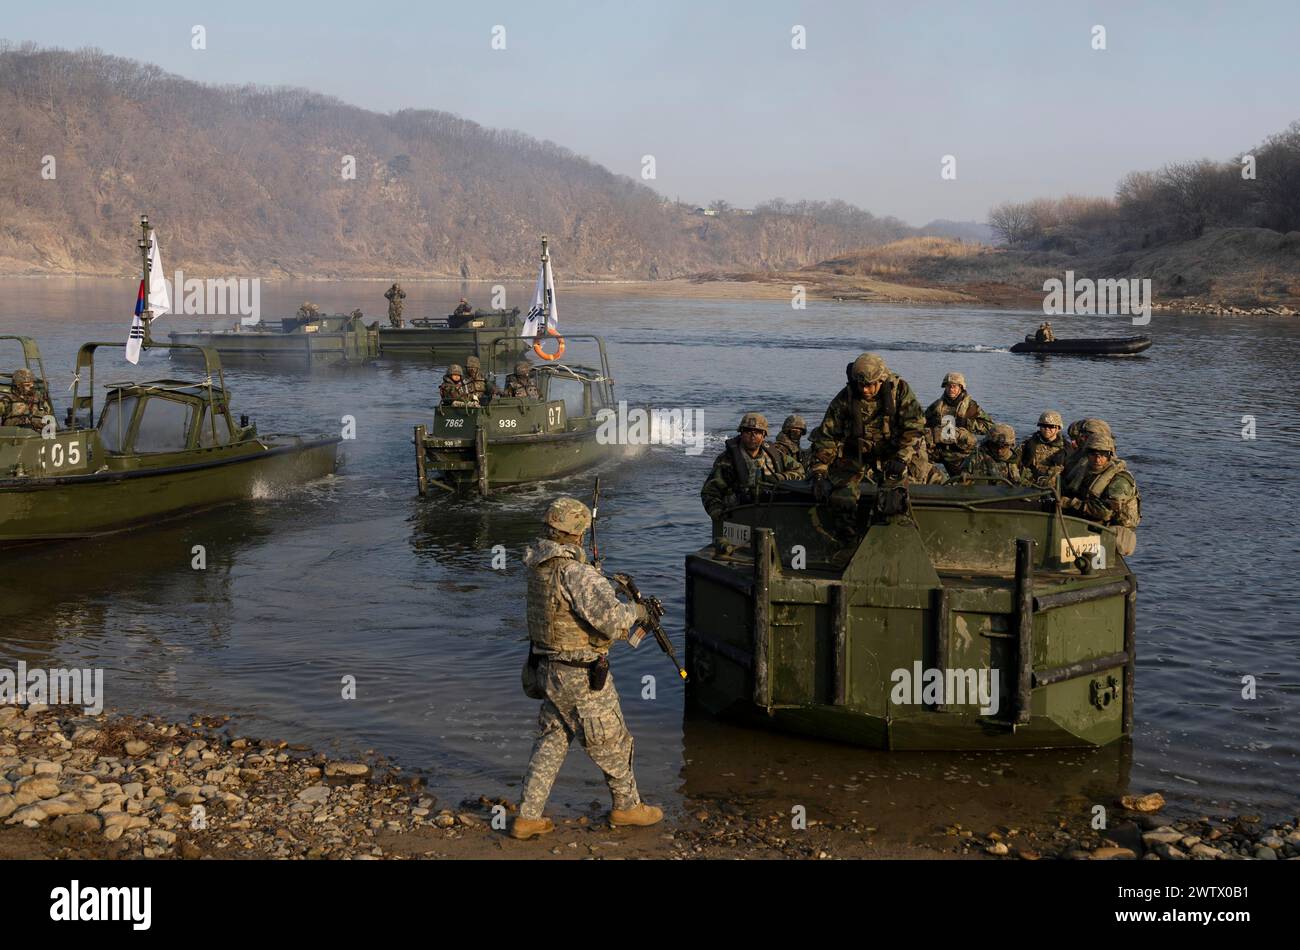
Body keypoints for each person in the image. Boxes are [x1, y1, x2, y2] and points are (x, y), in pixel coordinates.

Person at [513, 497, 662, 839]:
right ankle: (627, 807)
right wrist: (637, 612)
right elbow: (611, 621)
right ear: (577, 533)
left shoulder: (539, 565)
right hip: (580, 674)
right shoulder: (575, 572)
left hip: (546, 667)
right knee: (614, 741)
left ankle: (528, 815)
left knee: (552, 739)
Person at [808, 352, 931, 493]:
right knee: (841, 496)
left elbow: (915, 427)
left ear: (880, 380)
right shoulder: (846, 397)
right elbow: (827, 436)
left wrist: (902, 458)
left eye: (869, 385)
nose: (865, 390)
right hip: (857, 455)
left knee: (894, 498)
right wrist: (819, 472)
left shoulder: (899, 391)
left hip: (895, 453)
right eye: (861, 385)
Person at [701, 413, 803, 522]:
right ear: (741, 433)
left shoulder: (775, 455)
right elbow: (710, 492)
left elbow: (800, 472)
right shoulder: (727, 460)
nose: (752, 436)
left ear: (764, 435)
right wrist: (718, 514)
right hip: (737, 514)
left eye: (757, 432)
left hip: (770, 512)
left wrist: (780, 478)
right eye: (748, 431)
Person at [1061, 432, 1141, 553]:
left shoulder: (1120, 480)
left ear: (1110, 455)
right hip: (1089, 520)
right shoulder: (1085, 470)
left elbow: (1105, 512)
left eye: (1103, 454)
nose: (1098, 459)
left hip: (1114, 530)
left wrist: (1069, 503)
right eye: (1093, 454)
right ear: (1087, 454)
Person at [924, 371, 993, 475]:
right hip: (938, 450)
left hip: (960, 452)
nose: (951, 389)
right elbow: (920, 424)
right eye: (948, 386)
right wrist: (933, 429)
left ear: (961, 388)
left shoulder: (971, 407)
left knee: (962, 481)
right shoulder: (936, 406)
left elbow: (990, 427)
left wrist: (969, 424)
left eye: (954, 386)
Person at [956, 423, 1025, 483]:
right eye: (995, 446)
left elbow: (1025, 482)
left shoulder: (1015, 459)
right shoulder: (976, 459)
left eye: (1003, 447)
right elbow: (963, 479)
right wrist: (965, 476)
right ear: (989, 443)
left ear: (1011, 445)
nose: (999, 451)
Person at [1020, 411, 1067, 484]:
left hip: (1056, 488)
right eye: (1043, 426)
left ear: (1058, 428)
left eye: (1051, 426)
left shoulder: (1066, 448)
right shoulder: (1029, 444)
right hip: (1031, 486)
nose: (1047, 429)